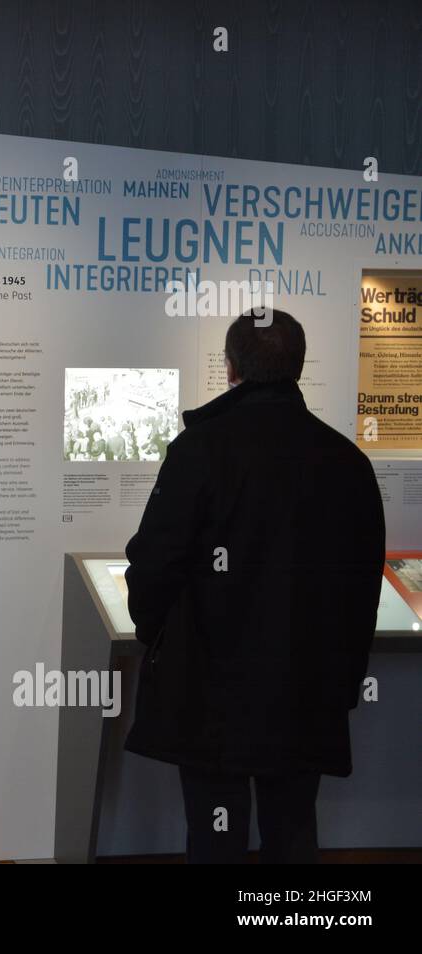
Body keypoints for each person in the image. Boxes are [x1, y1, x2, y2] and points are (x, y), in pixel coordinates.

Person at [123, 309, 385, 864]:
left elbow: (154, 564)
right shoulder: (347, 462)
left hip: (212, 688)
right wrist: (342, 681)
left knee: (216, 834)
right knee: (292, 832)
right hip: (304, 688)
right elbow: (362, 588)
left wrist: (156, 635)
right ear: (299, 368)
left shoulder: (200, 450)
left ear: (230, 369)